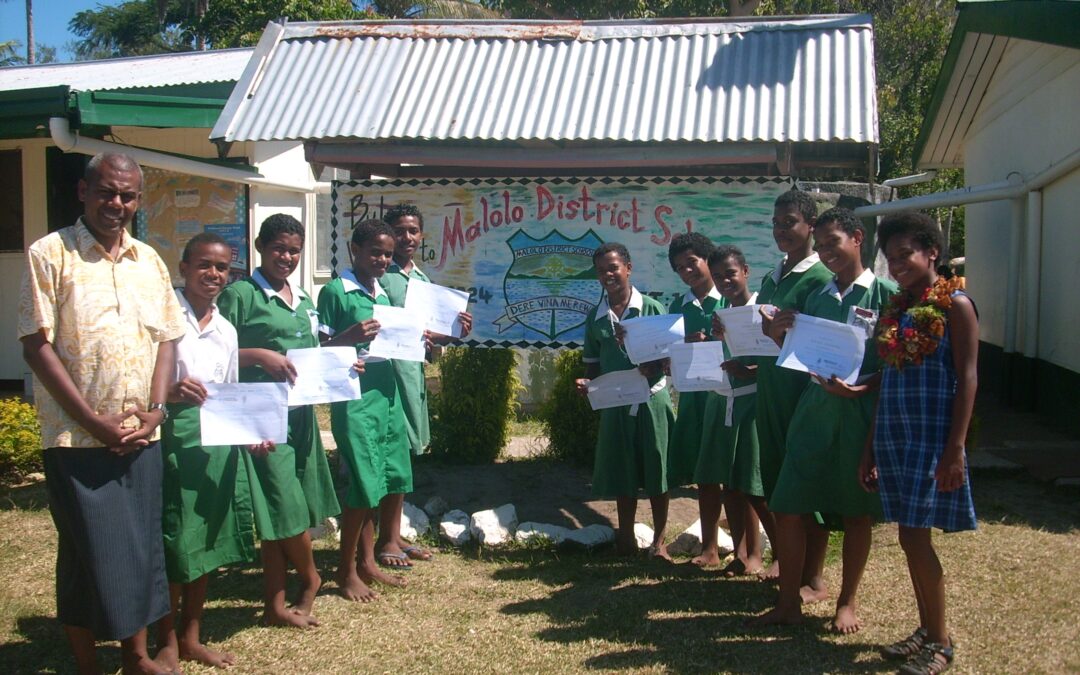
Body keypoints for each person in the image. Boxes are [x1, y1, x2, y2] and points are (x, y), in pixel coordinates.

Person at [19, 152, 185, 674]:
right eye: (107, 192)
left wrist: (157, 411)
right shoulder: (51, 254)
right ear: (83, 192)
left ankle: (134, 656)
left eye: (128, 195)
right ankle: (100, 662)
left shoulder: (149, 260)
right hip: (77, 440)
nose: (117, 204)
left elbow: (166, 340)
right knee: (93, 552)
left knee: (136, 549)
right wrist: (92, 421)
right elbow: (35, 345)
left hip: (141, 436)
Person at [755, 207, 896, 631]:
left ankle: (846, 602)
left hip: (857, 416)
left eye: (833, 242)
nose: (826, 253)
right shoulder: (818, 298)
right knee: (790, 505)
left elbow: (896, 366)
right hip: (812, 413)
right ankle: (787, 603)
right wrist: (778, 333)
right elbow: (801, 355)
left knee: (856, 512)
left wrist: (861, 389)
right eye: (820, 246)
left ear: (856, 238)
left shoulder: (884, 295)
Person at [860, 212, 977, 675]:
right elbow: (887, 381)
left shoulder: (956, 305)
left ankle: (941, 643)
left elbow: (968, 379)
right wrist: (869, 449)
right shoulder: (898, 309)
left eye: (905, 253)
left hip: (932, 439)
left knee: (915, 537)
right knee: (909, 538)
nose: (896, 264)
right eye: (890, 258)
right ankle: (927, 631)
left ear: (932, 252)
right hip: (895, 434)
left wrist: (956, 449)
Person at [216, 214, 341, 629]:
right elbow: (215, 355)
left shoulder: (302, 297)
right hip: (260, 416)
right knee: (282, 501)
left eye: (294, 250)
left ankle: (273, 603)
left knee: (281, 510)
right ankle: (310, 577)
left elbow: (312, 352)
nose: (286, 257)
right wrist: (259, 356)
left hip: (300, 416)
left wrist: (344, 366)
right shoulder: (240, 295)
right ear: (260, 247)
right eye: (278, 249)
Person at [156, 232, 270, 668]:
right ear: (183, 268)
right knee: (175, 541)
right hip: (174, 441)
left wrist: (250, 434)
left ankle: (191, 635)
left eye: (222, 268)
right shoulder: (163, 319)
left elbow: (229, 396)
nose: (213, 274)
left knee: (206, 540)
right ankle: (165, 640)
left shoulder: (225, 329)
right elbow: (143, 384)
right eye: (204, 264)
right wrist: (169, 390)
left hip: (217, 445)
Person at [318, 219, 415, 598]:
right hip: (354, 395)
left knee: (381, 478)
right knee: (361, 481)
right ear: (353, 249)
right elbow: (318, 351)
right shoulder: (335, 292)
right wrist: (349, 338)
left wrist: (433, 336)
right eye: (375, 251)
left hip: (385, 390)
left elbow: (396, 339)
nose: (382, 259)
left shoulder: (383, 291)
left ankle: (367, 562)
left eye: (388, 254)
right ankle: (345, 571)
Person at [378, 203, 472, 568]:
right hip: (385, 378)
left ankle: (394, 534)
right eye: (399, 230)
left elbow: (430, 339)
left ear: (422, 235)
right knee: (390, 456)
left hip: (412, 375)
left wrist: (453, 332)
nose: (407, 238)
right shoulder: (380, 277)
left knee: (403, 459)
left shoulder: (422, 280)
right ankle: (385, 539)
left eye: (413, 230)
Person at [754, 189, 834, 589]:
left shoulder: (820, 279)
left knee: (804, 483)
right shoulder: (773, 277)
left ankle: (814, 578)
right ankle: (791, 568)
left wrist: (773, 336)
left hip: (800, 394)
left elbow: (816, 349)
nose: (780, 230)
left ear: (811, 226)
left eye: (789, 222)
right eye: (775, 223)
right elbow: (765, 332)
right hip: (770, 389)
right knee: (777, 480)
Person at [576, 242, 674, 558]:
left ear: (628, 268)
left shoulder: (651, 310)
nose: (608, 274)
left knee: (657, 471)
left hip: (652, 401)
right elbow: (593, 363)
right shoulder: (596, 318)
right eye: (601, 270)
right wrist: (586, 382)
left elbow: (669, 357)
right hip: (616, 402)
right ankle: (627, 538)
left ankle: (660, 541)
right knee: (623, 473)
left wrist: (654, 366)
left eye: (613, 267)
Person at [698, 246, 774, 575]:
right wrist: (712, 340)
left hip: (754, 401)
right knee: (730, 483)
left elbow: (777, 357)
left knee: (755, 486)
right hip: (725, 398)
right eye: (717, 276)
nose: (725, 280)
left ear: (745, 270)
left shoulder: (764, 310)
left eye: (730, 273)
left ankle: (781, 555)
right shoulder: (721, 314)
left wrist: (752, 371)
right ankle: (743, 553)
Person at [665, 232, 722, 493]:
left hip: (723, 393)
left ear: (708, 259)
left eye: (692, 261)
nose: (687, 270)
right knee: (701, 464)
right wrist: (681, 347)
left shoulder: (729, 299)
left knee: (725, 461)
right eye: (679, 268)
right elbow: (668, 354)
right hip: (693, 394)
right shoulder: (678, 307)